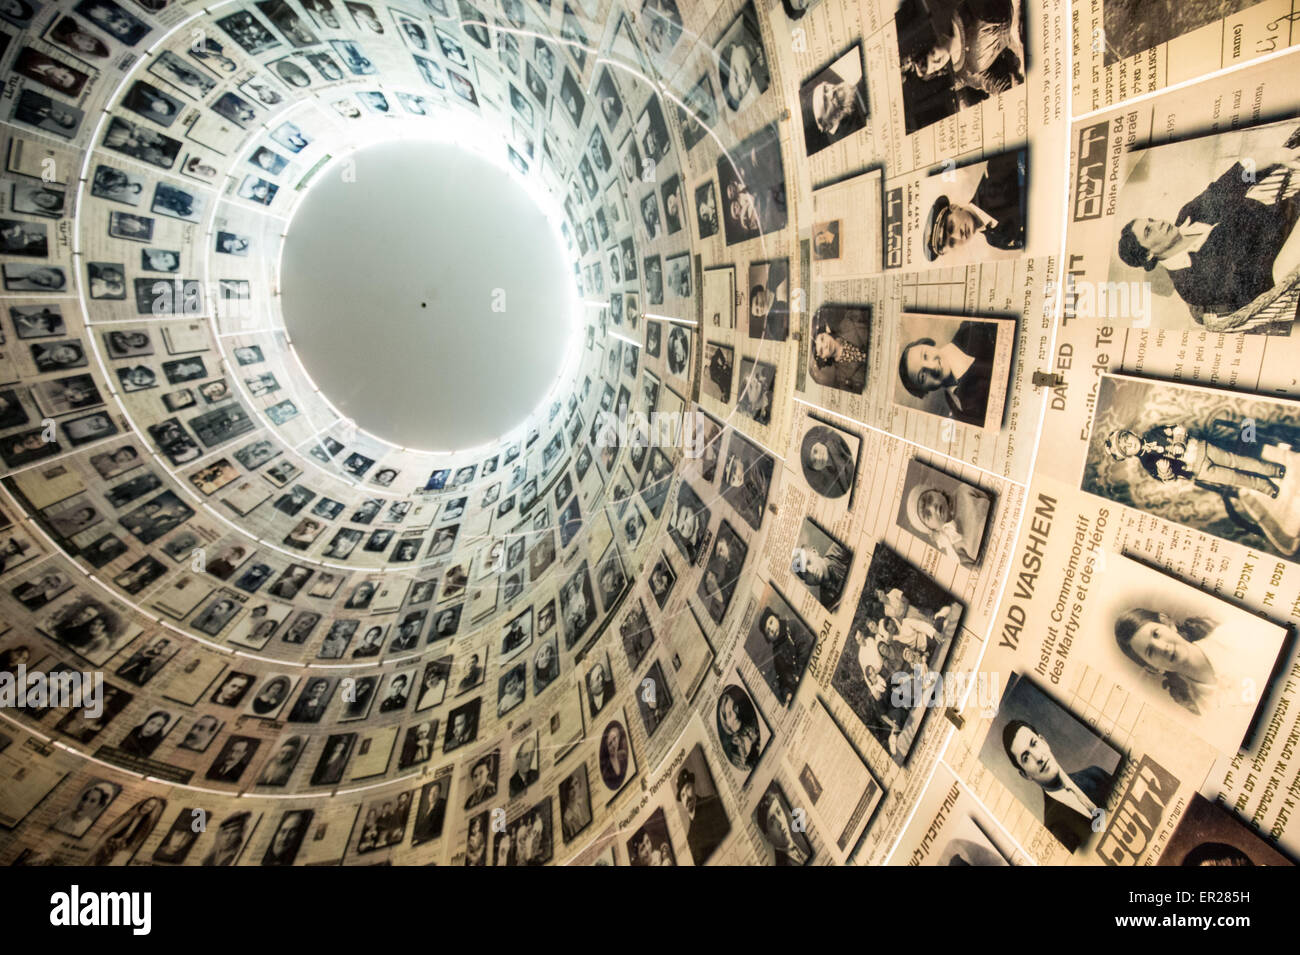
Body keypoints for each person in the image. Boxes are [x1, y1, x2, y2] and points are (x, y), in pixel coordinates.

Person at [1116, 158, 1300, 324]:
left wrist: (1276, 156)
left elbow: (1233, 182)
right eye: (1149, 231)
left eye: (1152, 220)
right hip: (1288, 267)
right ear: (1148, 255)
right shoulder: (1189, 283)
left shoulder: (1189, 214)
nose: (1159, 223)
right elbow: (1257, 279)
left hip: (1291, 211)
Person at [1001, 719, 1110, 852]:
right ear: (1025, 775)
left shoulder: (1094, 774)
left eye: (1034, 744)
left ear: (1044, 742)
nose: (1038, 758)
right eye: (1026, 758)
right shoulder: (1054, 828)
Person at [1113, 608, 1239, 715]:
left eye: (1156, 634)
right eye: (1150, 651)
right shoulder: (1201, 710)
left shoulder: (1232, 636)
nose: (1162, 648)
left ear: (1168, 623)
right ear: (1153, 668)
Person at [1104, 425, 1285, 497]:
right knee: (1233, 478)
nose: (1129, 444)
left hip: (1203, 449)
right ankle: (1265, 487)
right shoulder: (1148, 463)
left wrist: (1178, 442)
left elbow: (1178, 428)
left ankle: (1274, 470)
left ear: (1132, 433)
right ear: (1127, 456)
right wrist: (1165, 471)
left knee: (1238, 461)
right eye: (1125, 448)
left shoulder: (1154, 433)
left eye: (1126, 438)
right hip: (1198, 470)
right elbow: (1166, 479)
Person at [901, 0, 1024, 101]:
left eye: (933, 55)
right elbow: (997, 85)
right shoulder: (965, 73)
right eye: (934, 68)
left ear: (934, 40)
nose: (938, 62)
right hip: (1021, 40)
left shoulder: (955, 11)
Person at [923, 150, 1026, 259]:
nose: (959, 235)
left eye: (951, 227)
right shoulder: (998, 240)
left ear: (954, 207)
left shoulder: (992, 175)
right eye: (952, 242)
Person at [898, 320, 999, 425]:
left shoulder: (972, 328)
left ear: (930, 344)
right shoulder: (955, 406)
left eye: (925, 356)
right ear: (924, 391)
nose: (932, 367)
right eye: (922, 376)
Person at [904, 479, 990, 567]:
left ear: (937, 491)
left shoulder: (964, 490)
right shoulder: (955, 549)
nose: (933, 508)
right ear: (932, 529)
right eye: (927, 514)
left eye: (930, 499)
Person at [677, 766, 730, 863]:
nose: (686, 798)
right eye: (682, 795)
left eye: (688, 788)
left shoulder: (714, 802)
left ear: (694, 787)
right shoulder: (690, 838)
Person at [810, 308, 869, 392]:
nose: (826, 345)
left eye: (822, 339)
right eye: (821, 351)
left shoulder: (850, 319)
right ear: (823, 358)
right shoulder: (842, 378)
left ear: (826, 332)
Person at [790, 536, 850, 609]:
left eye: (809, 562)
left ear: (814, 552)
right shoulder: (827, 604)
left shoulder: (841, 547)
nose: (811, 571)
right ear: (808, 583)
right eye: (806, 573)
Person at [756, 788, 811, 865]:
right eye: (772, 822)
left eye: (779, 812)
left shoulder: (805, 839)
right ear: (768, 837)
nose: (780, 823)